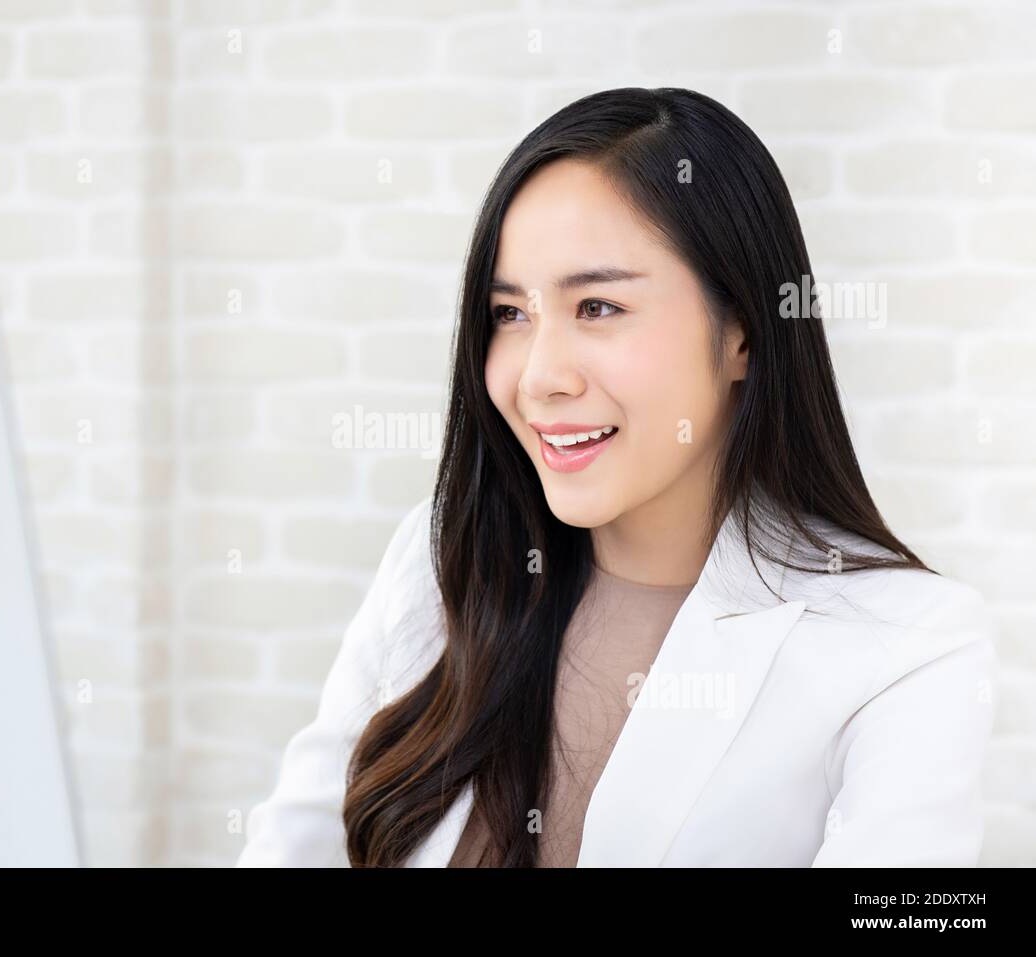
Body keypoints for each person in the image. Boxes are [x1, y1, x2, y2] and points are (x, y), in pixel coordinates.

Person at [235, 87, 997, 868]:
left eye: (597, 306)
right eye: (509, 314)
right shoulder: (440, 559)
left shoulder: (910, 644)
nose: (539, 377)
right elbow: (295, 847)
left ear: (741, 331)